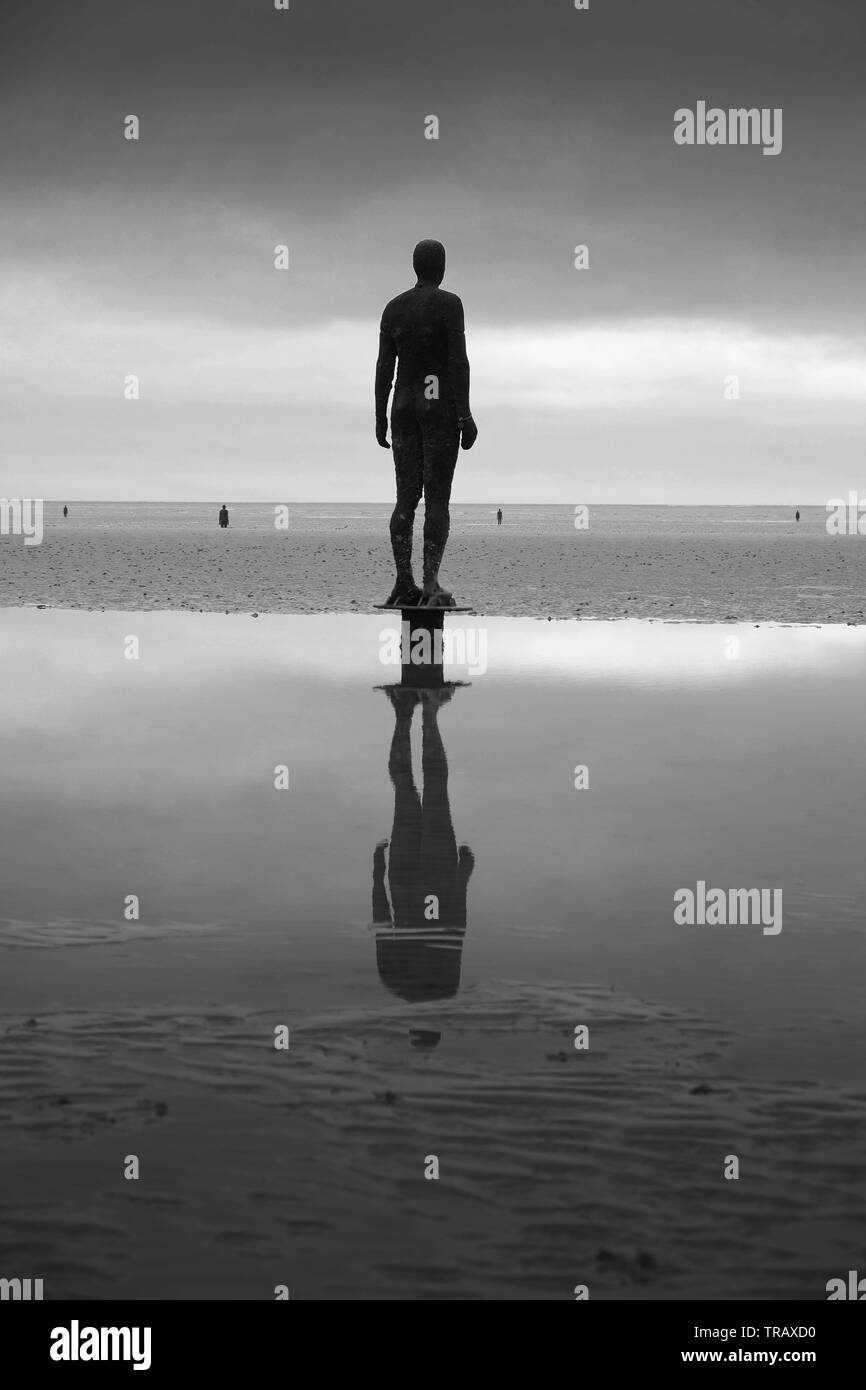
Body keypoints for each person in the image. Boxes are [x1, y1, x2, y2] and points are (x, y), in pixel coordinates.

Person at [375, 239, 477, 608]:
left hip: (402, 407)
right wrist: (464, 415)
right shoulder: (449, 305)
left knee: (405, 499)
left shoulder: (393, 309)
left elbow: (384, 367)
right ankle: (429, 581)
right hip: (438, 409)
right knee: (437, 498)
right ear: (441, 267)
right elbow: (457, 362)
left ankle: (404, 581)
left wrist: (379, 415)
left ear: (416, 267)